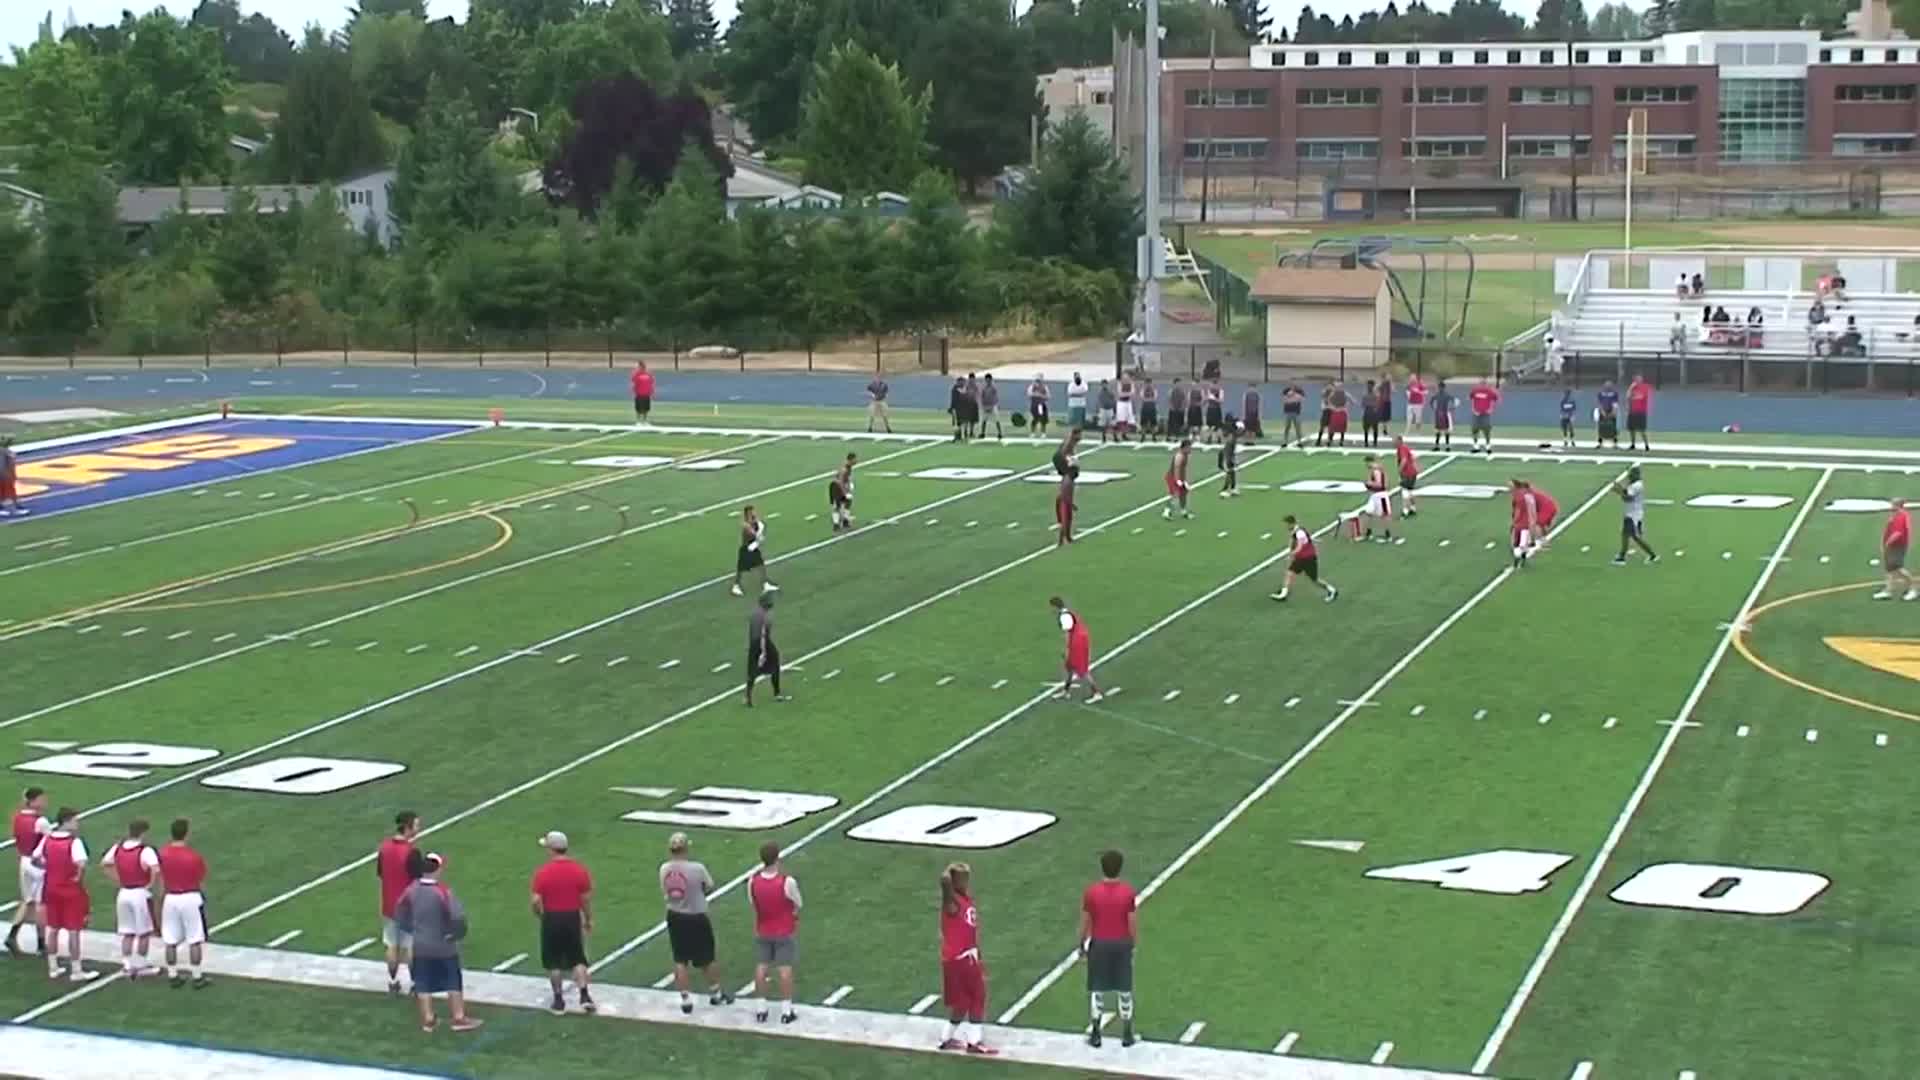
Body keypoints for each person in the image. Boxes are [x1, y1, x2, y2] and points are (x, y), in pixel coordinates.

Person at [394, 850, 482, 1032]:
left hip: (420, 945)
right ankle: (458, 1018)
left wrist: (410, 928)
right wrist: (456, 934)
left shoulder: (412, 889)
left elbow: (400, 911)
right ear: (437, 870)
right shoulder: (442, 892)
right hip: (444, 946)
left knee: (423, 983)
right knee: (452, 981)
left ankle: (428, 1020)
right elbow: (458, 917)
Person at [661, 832, 733, 1014]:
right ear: (685, 848)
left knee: (680, 959)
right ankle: (716, 994)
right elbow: (709, 887)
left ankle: (685, 999)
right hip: (696, 916)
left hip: (675, 915)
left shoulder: (664, 869)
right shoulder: (697, 869)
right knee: (707, 958)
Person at [531, 830, 595, 1016]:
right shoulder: (579, 870)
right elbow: (585, 899)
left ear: (551, 849)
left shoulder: (543, 872)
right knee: (578, 958)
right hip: (572, 917)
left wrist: (540, 915)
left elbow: (535, 900)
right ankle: (584, 996)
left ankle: (558, 1001)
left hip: (552, 917)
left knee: (554, 962)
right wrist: (588, 919)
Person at [937, 863, 996, 1055]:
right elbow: (944, 880)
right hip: (961, 957)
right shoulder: (951, 902)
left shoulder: (963, 899)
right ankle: (974, 1041)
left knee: (963, 1001)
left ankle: (946, 1038)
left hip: (964, 955)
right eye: (963, 879)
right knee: (978, 995)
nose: (966, 882)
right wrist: (949, 875)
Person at [1081, 849, 1138, 1049]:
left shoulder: (1092, 892)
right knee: (1125, 989)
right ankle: (1127, 1033)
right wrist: (1133, 943)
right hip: (1122, 943)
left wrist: (1081, 942)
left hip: (1099, 943)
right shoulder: (1127, 892)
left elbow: (1087, 920)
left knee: (1097, 989)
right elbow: (1131, 921)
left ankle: (1096, 1033)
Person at [33, 807, 94, 982]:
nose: (77, 824)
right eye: (75, 820)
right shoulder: (74, 842)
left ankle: (53, 967)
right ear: (66, 822)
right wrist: (77, 877)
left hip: (50, 887)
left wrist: (48, 868)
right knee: (74, 929)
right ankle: (76, 970)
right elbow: (81, 864)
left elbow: (35, 859)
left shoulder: (47, 839)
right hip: (69, 889)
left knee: (53, 927)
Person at [749, 842, 802, 1024]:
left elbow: (753, 902)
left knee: (761, 967)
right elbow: (798, 903)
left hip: (763, 929)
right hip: (784, 930)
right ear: (777, 858)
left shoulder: (753, 881)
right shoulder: (787, 881)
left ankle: (761, 1009)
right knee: (785, 969)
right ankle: (786, 1010)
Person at [101, 818, 160, 978]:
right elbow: (155, 869)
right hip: (140, 893)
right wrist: (150, 884)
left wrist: (118, 880)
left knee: (127, 932)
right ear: (144, 833)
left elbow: (105, 864)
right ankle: (141, 964)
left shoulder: (118, 847)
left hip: (124, 893)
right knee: (144, 932)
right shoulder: (145, 850)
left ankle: (127, 964)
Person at [157, 817, 209, 989]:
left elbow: (160, 877)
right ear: (186, 833)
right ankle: (197, 976)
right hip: (190, 897)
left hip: (171, 897)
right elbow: (200, 879)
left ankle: (173, 975)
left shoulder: (162, 854)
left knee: (170, 939)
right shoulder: (193, 856)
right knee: (195, 938)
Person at [377, 811, 420, 996]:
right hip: (408, 906)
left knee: (391, 945)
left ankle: (393, 981)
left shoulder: (384, 848)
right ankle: (415, 983)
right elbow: (418, 879)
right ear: (408, 827)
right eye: (416, 825)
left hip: (389, 905)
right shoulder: (411, 852)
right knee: (410, 946)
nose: (418, 828)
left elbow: (380, 873)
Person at [6, 786, 49, 957]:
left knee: (28, 901)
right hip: (38, 864)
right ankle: (41, 944)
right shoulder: (41, 821)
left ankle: (12, 935)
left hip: (24, 860)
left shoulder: (18, 817)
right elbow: (50, 843)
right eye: (42, 799)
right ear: (33, 801)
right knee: (40, 904)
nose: (45, 802)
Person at [1271, 514, 1336, 603]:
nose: (1286, 527)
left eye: (1287, 524)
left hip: (1308, 559)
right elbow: (1294, 542)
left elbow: (1300, 547)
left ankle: (1332, 590)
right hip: (1301, 559)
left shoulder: (1300, 533)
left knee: (1315, 579)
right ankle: (1283, 594)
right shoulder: (1295, 531)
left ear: (1291, 523)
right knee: (1289, 573)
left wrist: (1292, 554)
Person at [1050, 596, 1103, 702]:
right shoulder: (1067, 613)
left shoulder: (1064, 617)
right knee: (1069, 666)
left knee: (1081, 669)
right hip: (1078, 639)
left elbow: (1067, 634)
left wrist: (1066, 649)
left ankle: (1096, 692)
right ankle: (1066, 691)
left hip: (1078, 642)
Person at [744, 593, 789, 707]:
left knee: (752, 670)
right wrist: (763, 652)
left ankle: (747, 696)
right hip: (763, 642)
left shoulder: (754, 614)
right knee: (775, 663)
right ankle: (777, 693)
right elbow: (763, 635)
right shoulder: (766, 617)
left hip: (753, 643)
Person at [1612, 466, 1660, 566]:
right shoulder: (1636, 484)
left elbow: (1628, 498)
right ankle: (1622, 556)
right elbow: (1627, 492)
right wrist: (1620, 488)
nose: (1629, 476)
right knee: (1625, 534)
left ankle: (1652, 555)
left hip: (1633, 515)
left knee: (1635, 537)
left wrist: (1618, 491)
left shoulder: (1636, 486)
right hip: (1633, 513)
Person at [1510, 479, 1559, 568]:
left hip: (1546, 508)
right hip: (1549, 506)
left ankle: (1541, 542)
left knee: (1536, 525)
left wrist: (1516, 521)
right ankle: (1538, 541)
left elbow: (1527, 512)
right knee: (1537, 525)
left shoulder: (1523, 496)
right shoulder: (1528, 493)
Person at [731, 505, 777, 598]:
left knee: (761, 565)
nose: (754, 512)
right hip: (746, 549)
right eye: (752, 511)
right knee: (741, 569)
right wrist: (759, 536)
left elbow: (760, 526)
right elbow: (752, 533)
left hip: (753, 548)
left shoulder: (754, 521)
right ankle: (736, 586)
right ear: (748, 513)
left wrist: (760, 530)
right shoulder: (745, 524)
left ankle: (765, 584)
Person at [1876, 498, 1915, 601]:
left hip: (1897, 545)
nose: (1891, 506)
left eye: (1892, 504)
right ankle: (1888, 591)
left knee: (1898, 568)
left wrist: (1887, 543)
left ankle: (1913, 589)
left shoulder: (1901, 516)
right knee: (1889, 569)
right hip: (1893, 545)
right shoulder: (1897, 515)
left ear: (1897, 505)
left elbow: (1898, 533)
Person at [1361, 456, 1394, 543]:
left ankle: (1388, 535)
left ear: (1369, 462)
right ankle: (1368, 533)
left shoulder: (1376, 470)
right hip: (1374, 495)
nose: (1365, 465)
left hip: (1381, 495)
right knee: (1368, 512)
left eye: (1366, 463)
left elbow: (1379, 484)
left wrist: (1369, 483)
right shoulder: (1378, 469)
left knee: (1385, 515)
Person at [1162, 438, 1193, 520]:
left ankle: (1183, 511)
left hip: (1180, 478)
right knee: (1174, 495)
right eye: (1189, 447)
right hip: (1173, 477)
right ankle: (1166, 511)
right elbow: (1177, 468)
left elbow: (1183, 469)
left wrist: (1184, 480)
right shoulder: (1179, 456)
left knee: (1184, 493)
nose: (1191, 449)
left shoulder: (1186, 455)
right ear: (1185, 447)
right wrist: (1178, 480)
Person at [1468, 377, 1500, 454]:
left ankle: (1488, 447)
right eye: (1481, 383)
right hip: (1476, 414)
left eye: (1484, 383)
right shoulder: (1475, 391)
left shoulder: (1489, 391)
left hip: (1485, 414)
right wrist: (1473, 409)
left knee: (1486, 430)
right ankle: (1476, 447)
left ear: (1486, 384)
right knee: (1474, 430)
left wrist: (1491, 409)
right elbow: (1471, 399)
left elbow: (1496, 399)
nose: (1482, 385)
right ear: (1479, 384)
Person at [827, 453, 857, 533]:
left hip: (841, 486)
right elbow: (840, 481)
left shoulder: (849, 467)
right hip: (836, 487)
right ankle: (836, 524)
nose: (856, 461)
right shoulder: (844, 469)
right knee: (837, 505)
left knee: (848, 502)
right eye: (855, 459)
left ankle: (845, 521)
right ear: (851, 459)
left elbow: (846, 479)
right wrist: (845, 493)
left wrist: (849, 485)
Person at [1055, 450, 1079, 547]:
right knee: (1065, 520)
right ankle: (1061, 541)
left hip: (1065, 500)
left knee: (1068, 519)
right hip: (1064, 501)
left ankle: (1068, 538)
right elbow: (1065, 495)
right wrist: (1072, 505)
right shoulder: (1068, 481)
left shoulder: (1069, 479)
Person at [1626, 374, 1653, 451]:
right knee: (1632, 429)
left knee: (1642, 430)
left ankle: (1646, 445)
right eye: (1636, 379)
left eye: (1639, 379)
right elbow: (1628, 397)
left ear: (1641, 379)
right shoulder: (1633, 388)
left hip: (1641, 412)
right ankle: (1633, 444)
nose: (1637, 380)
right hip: (1632, 411)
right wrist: (1630, 388)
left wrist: (1633, 396)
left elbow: (1641, 396)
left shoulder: (1645, 387)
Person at [1394, 436, 1419, 518]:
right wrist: (1416, 467)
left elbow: (1404, 460)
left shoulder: (1402, 448)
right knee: (1409, 491)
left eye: (1395, 441)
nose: (1393, 443)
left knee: (1405, 492)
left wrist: (1399, 471)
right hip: (1412, 472)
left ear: (1399, 441)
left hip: (1407, 473)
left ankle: (1405, 511)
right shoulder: (1405, 448)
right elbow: (1412, 457)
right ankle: (1413, 508)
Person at [0, 437, 24, 517]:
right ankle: (17, 508)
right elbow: (3, 465)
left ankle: (13, 507)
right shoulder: (4, 452)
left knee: (5, 493)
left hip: (6, 475)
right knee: (10, 493)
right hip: (5, 476)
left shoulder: (6, 451)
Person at [1218, 423, 1241, 499]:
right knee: (1229, 472)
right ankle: (1225, 489)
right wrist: (1230, 460)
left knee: (1231, 472)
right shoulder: (1231, 438)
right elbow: (1228, 450)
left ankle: (1232, 488)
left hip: (1228, 457)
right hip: (1227, 457)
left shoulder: (1232, 438)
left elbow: (1229, 450)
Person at [1595, 380, 1621, 449]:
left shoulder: (1614, 394)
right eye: (1606, 385)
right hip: (1602, 411)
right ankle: (1600, 443)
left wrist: (1612, 413)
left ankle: (1615, 443)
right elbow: (1599, 404)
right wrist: (1602, 412)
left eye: (1609, 385)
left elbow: (1615, 404)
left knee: (1613, 428)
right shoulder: (1601, 394)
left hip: (1611, 411)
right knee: (1601, 427)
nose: (1608, 387)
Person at [1430, 380, 1455, 451]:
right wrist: (1452, 408)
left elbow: (1431, 402)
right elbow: (1431, 402)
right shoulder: (1440, 395)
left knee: (1442, 430)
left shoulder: (1444, 395)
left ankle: (1443, 446)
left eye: (1441, 387)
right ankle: (1442, 446)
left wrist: (1451, 408)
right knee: (1440, 430)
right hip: (1441, 413)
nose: (1440, 388)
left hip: (1442, 413)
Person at [630, 361, 655, 427]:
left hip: (646, 394)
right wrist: (633, 391)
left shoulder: (648, 374)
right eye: (638, 366)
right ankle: (638, 422)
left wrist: (652, 391)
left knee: (646, 409)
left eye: (638, 366)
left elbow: (651, 382)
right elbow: (633, 381)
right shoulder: (636, 374)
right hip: (639, 394)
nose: (637, 367)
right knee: (638, 409)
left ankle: (645, 421)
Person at [980, 375, 1004, 440]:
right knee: (983, 420)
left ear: (991, 380)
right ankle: (982, 433)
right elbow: (982, 397)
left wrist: (992, 406)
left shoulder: (993, 388)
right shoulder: (983, 388)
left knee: (997, 420)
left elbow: (995, 397)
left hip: (993, 406)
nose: (988, 381)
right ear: (985, 380)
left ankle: (1000, 433)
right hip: (985, 406)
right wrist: (983, 406)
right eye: (986, 380)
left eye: (989, 380)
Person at [1113, 372, 1135, 440]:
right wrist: (1128, 393)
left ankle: (1124, 434)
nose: (1126, 379)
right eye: (1124, 377)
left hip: (1128, 403)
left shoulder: (1131, 383)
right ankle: (1115, 435)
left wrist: (1125, 394)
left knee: (1128, 420)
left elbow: (1132, 393)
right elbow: (1120, 394)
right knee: (1120, 420)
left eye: (1127, 377)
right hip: (1121, 403)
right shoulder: (1120, 383)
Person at [1202, 378, 1226, 443]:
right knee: (1209, 425)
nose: (1212, 386)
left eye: (1214, 384)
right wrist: (1205, 399)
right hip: (1210, 409)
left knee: (1218, 425)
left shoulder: (1220, 390)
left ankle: (1219, 438)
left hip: (1216, 409)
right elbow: (1205, 401)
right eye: (1212, 384)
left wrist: (1214, 398)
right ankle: (1209, 438)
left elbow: (1221, 401)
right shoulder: (1209, 390)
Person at [1360, 379, 1381, 447]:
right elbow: (1362, 404)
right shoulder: (1365, 395)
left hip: (1373, 412)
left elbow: (1378, 404)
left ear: (1373, 386)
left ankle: (1375, 442)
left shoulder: (1376, 395)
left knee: (1375, 428)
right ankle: (1366, 442)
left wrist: (1375, 408)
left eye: (1370, 386)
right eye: (1368, 386)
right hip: (1367, 411)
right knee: (1366, 428)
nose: (1369, 387)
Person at [1165, 378, 1187, 442]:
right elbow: (1169, 400)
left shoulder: (1182, 391)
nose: (1179, 384)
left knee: (1179, 424)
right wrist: (1171, 407)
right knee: (1171, 424)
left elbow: (1184, 400)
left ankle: (1176, 437)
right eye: (1178, 383)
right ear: (1174, 384)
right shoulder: (1171, 391)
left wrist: (1182, 408)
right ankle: (1168, 437)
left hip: (1180, 410)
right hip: (1173, 410)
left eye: (1180, 383)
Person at [948, 378, 969, 442]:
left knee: (962, 423)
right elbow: (954, 399)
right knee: (957, 423)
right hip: (957, 408)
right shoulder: (955, 389)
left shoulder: (964, 389)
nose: (963, 383)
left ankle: (962, 436)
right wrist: (952, 407)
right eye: (961, 382)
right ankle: (957, 436)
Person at [962, 373, 981, 439]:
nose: (971, 380)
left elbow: (978, 394)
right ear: (969, 379)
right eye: (970, 379)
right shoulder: (966, 386)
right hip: (967, 404)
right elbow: (964, 393)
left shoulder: (976, 386)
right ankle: (965, 431)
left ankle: (971, 432)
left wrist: (977, 402)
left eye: (973, 379)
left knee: (973, 420)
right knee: (966, 419)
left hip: (974, 404)